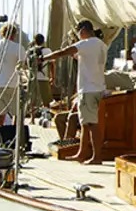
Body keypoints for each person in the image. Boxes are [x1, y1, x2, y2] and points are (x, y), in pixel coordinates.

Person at [43, 20, 108, 165]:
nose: (78, 35)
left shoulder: (85, 44)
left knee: (92, 124)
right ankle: (81, 154)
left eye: (78, 32)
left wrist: (43, 58)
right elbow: (84, 58)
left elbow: (63, 52)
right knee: (85, 124)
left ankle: (97, 157)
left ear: (83, 30)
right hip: (97, 87)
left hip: (88, 89)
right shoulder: (101, 45)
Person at [0, 23, 27, 127]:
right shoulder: (18, 48)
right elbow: (23, 65)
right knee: (17, 114)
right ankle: (15, 135)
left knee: (0, 115)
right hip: (13, 84)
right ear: (14, 34)